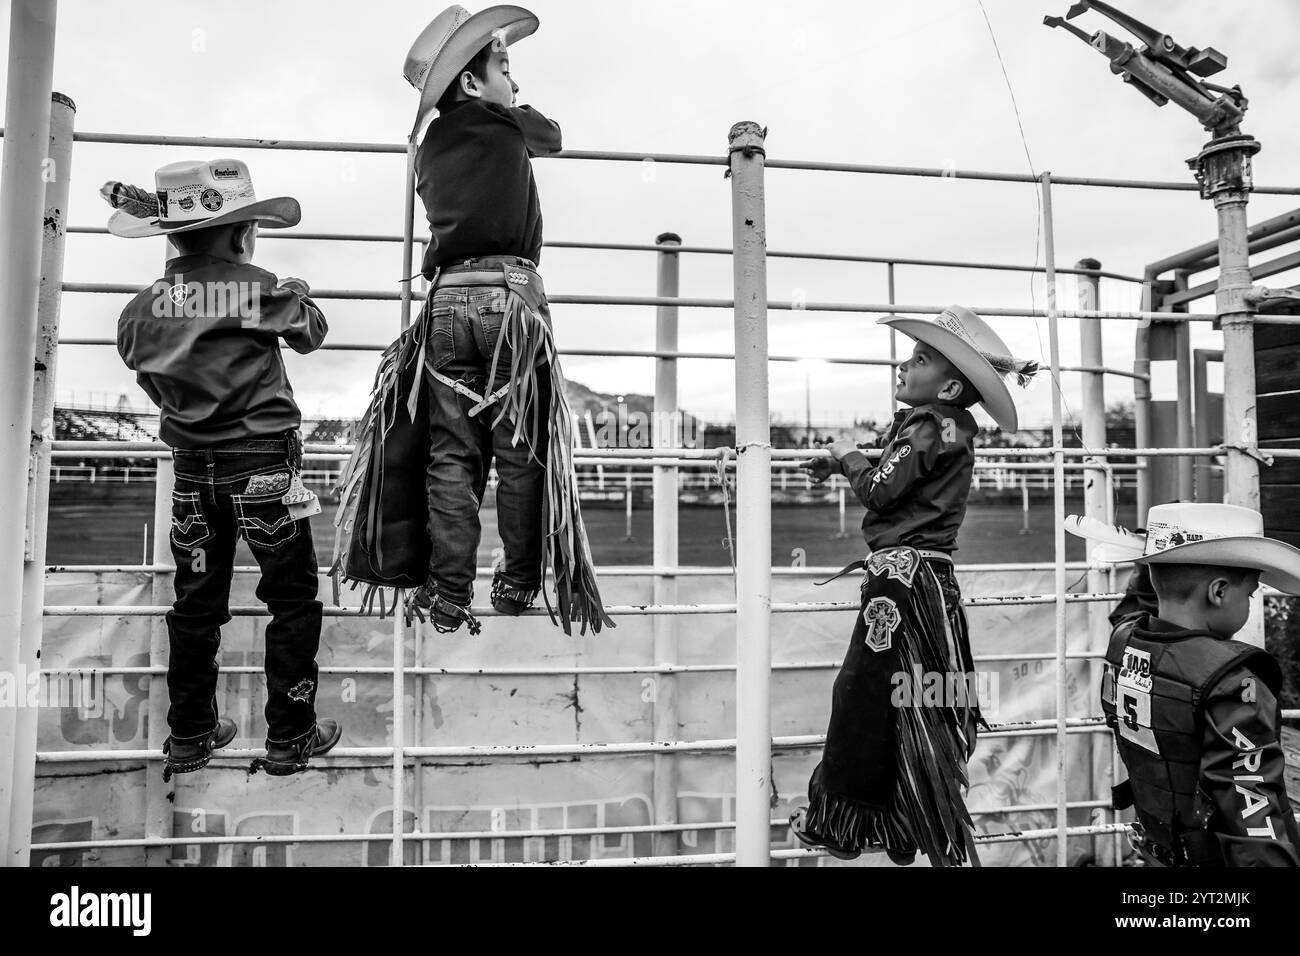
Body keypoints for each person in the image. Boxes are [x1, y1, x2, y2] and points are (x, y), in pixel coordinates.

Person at [333, 4, 612, 636]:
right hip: (510, 298)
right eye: (505, 67)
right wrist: (512, 103)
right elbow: (553, 135)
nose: (513, 82)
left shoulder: (426, 147)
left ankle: (450, 591)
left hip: (447, 300)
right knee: (519, 450)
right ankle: (515, 582)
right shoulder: (507, 121)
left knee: (451, 454)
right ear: (471, 82)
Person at [108, 159, 342, 779]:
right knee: (291, 598)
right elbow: (313, 333)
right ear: (241, 235)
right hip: (263, 468)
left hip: (192, 475)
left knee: (196, 604)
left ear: (170, 237)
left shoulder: (138, 312)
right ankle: (290, 736)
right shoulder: (253, 288)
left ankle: (189, 732)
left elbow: (155, 382)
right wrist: (298, 295)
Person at [789, 305, 1037, 866]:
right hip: (929, 585)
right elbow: (906, 472)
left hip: (901, 585)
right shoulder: (947, 427)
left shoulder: (926, 424)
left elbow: (881, 490)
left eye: (920, 358)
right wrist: (851, 463)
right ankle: (907, 821)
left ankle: (845, 823)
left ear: (949, 384)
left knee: (863, 694)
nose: (906, 363)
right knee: (917, 699)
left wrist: (845, 452)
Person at [1068, 502, 1300, 866]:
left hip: (1164, 846)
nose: (1251, 602)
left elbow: (1140, 603)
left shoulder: (1124, 642)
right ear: (1219, 592)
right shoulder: (1232, 682)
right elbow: (1252, 806)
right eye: (1251, 594)